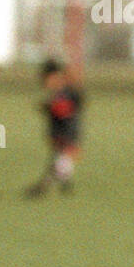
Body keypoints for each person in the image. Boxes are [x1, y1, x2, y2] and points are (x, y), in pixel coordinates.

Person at [25, 58, 84, 197]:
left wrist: (50, 107)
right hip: (61, 133)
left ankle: (42, 187)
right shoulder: (61, 92)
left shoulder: (66, 92)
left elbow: (65, 110)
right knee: (60, 162)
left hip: (67, 134)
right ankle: (64, 186)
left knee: (60, 162)